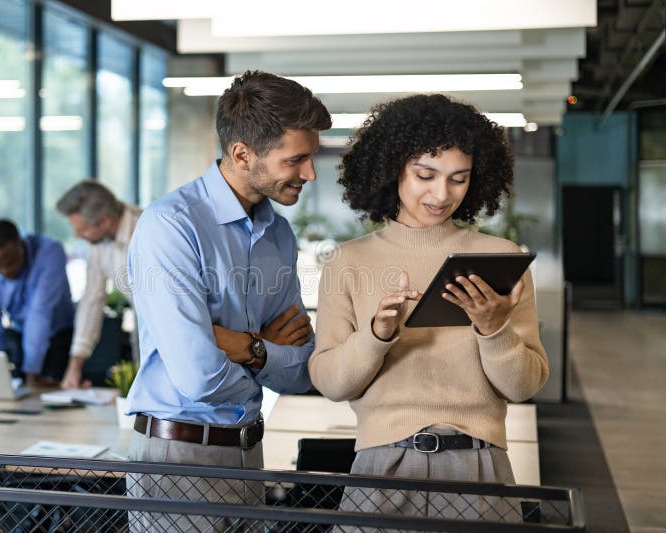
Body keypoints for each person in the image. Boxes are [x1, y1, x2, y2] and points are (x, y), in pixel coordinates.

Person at [309, 94, 549, 519]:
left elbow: (524, 386)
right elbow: (331, 384)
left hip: (480, 467)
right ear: (392, 169)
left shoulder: (500, 258)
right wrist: (377, 335)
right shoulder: (349, 262)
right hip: (381, 468)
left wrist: (494, 329)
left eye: (459, 179)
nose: (442, 194)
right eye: (425, 175)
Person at [125, 70, 331, 525]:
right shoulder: (171, 227)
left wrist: (245, 346)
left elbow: (301, 372)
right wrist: (266, 352)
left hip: (249, 455)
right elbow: (198, 377)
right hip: (177, 461)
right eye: (296, 160)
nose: (310, 174)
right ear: (242, 153)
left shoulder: (278, 234)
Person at [55, 180, 142, 389]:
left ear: (104, 222)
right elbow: (92, 300)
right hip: (143, 326)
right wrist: (75, 366)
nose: (77, 235)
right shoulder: (97, 242)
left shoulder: (148, 229)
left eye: (82, 229)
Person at [0, 219, 74, 386]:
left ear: (22, 244)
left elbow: (39, 314)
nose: (5, 271)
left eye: (11, 262)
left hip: (60, 337)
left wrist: (32, 373)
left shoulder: (50, 253)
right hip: (21, 337)